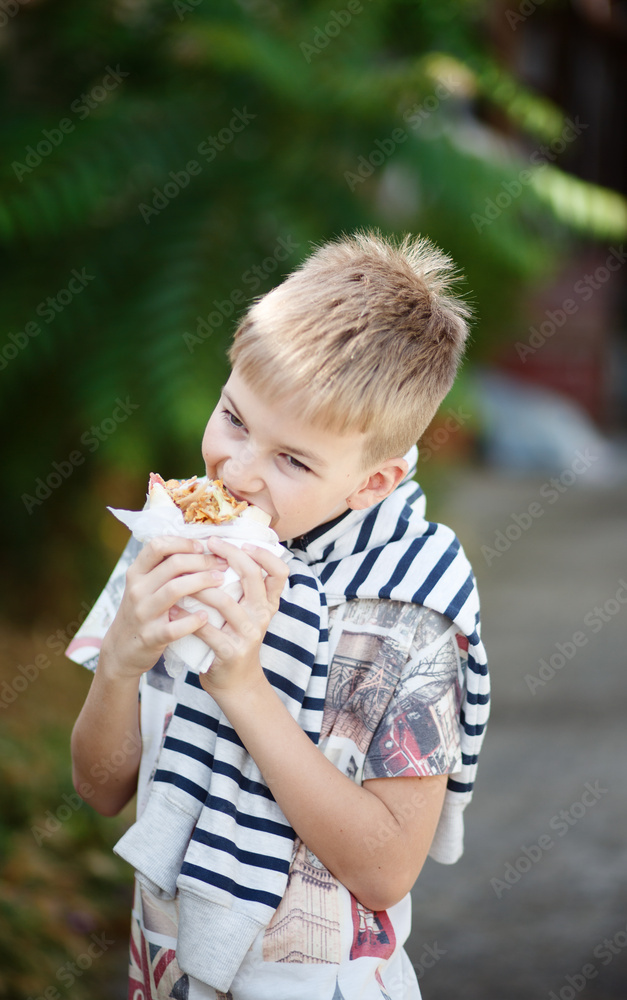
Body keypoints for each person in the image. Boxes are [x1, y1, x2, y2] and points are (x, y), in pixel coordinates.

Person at [67, 230, 489, 1000]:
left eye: (292, 461)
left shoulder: (409, 608)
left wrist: (241, 685)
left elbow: (385, 868)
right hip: (161, 967)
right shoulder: (177, 533)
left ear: (373, 481)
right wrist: (121, 663)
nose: (235, 469)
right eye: (232, 418)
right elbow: (99, 789)